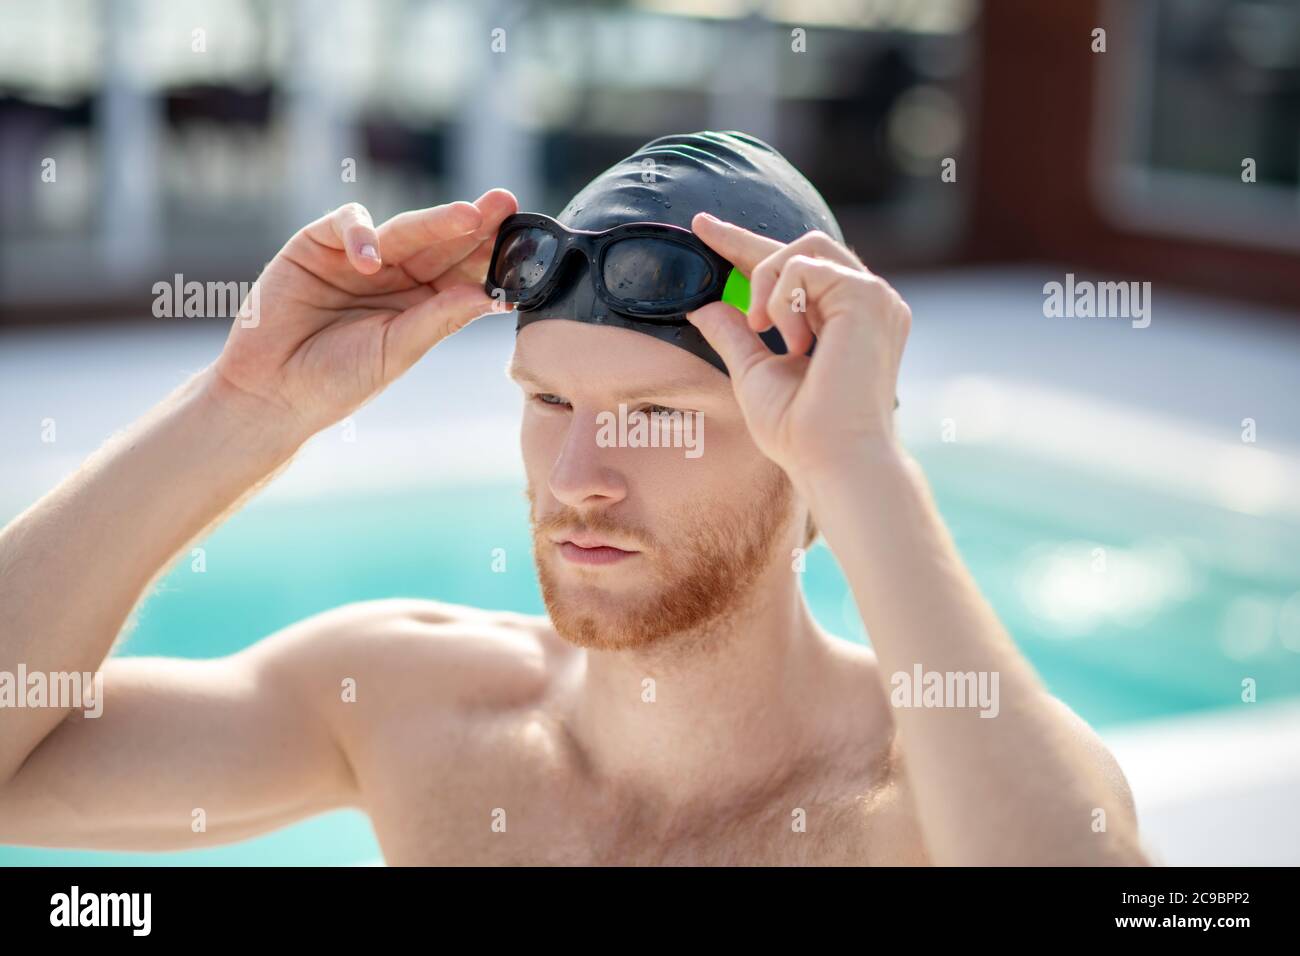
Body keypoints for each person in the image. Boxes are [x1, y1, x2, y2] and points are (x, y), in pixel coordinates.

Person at [0, 132, 1146, 865]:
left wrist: (863, 471)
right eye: (549, 401)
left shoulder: (921, 803)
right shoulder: (413, 711)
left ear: (809, 453)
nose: (577, 477)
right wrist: (243, 409)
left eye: (657, 415)